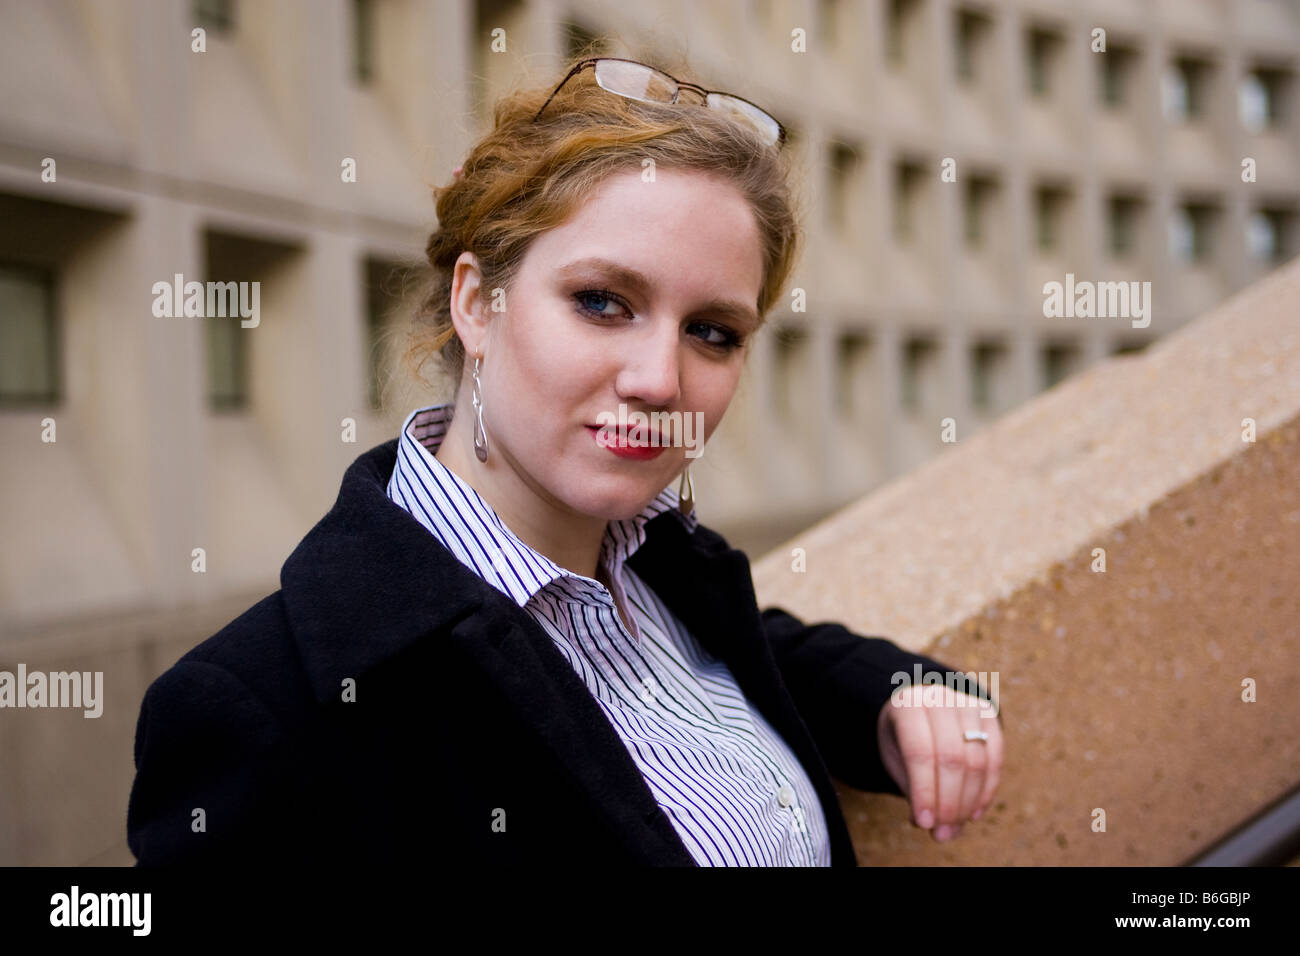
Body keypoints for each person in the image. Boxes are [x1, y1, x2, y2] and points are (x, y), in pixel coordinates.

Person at [126, 53, 1003, 867]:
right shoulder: (264, 711)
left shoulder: (664, 580)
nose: (661, 381)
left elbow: (764, 652)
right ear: (477, 302)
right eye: (602, 302)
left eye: (712, 332)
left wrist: (893, 692)